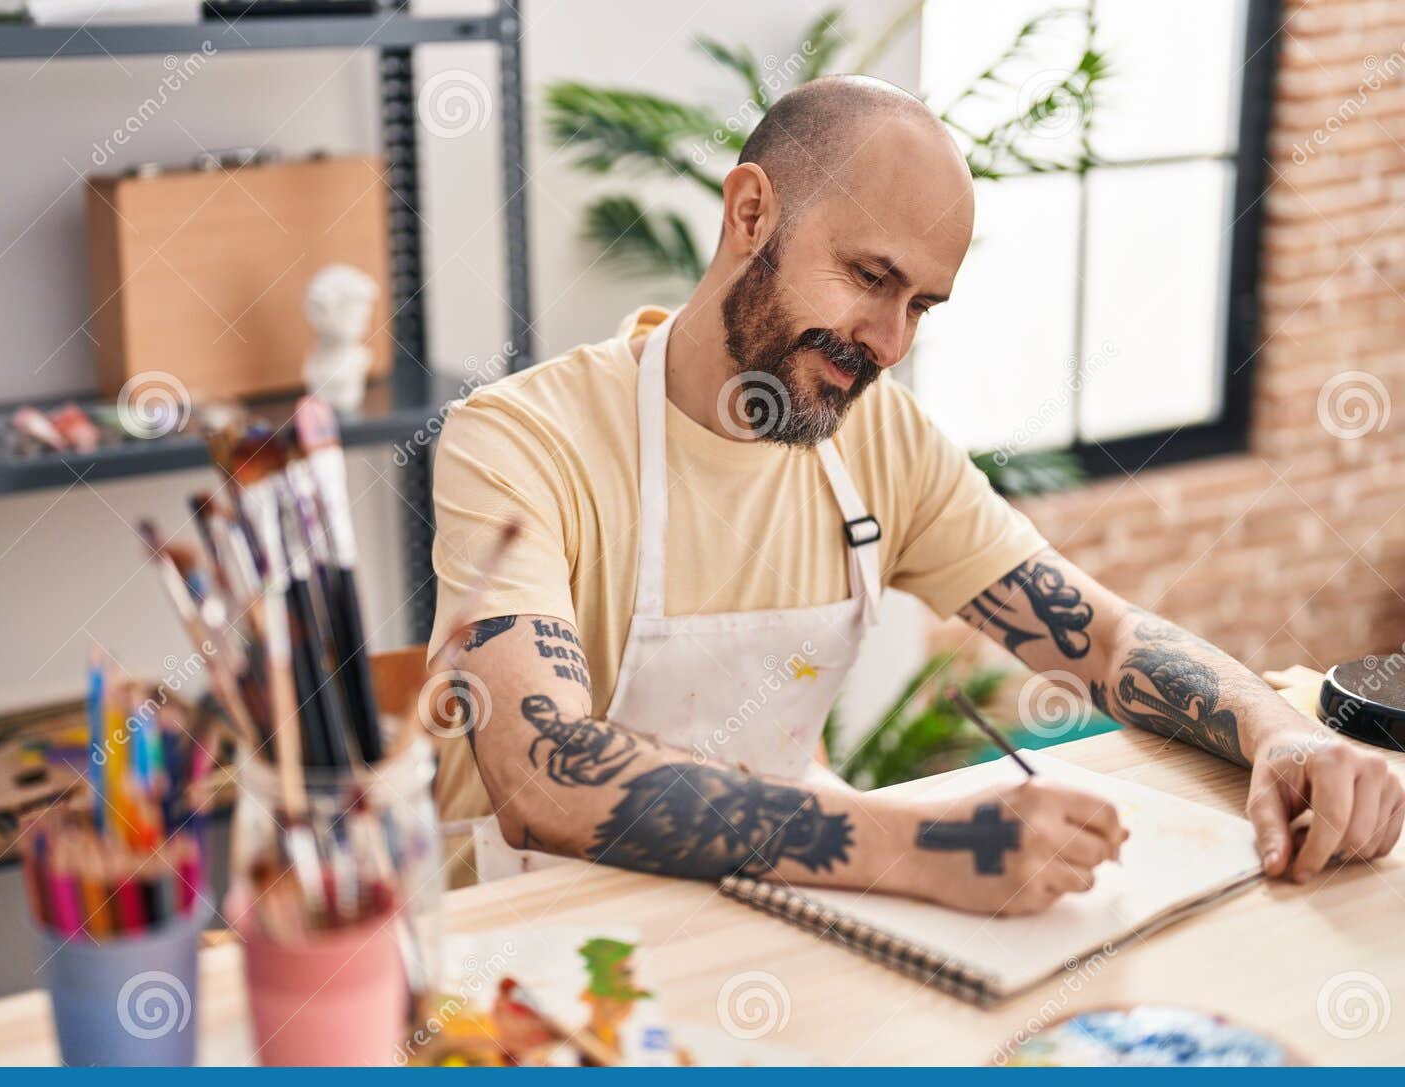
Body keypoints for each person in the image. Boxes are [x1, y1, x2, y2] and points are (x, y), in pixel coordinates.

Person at [427, 76, 1401, 913]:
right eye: (868, 277)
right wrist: (921, 842)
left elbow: (1101, 639)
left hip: (773, 911)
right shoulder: (520, 442)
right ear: (750, 213)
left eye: (919, 306)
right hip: (535, 942)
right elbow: (539, 772)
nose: (888, 343)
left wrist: (1279, 734)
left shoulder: (878, 440)